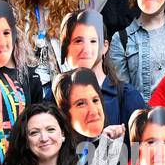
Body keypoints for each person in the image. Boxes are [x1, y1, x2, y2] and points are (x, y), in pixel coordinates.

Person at [51, 8, 146, 137]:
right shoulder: (52, 99)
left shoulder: (127, 96)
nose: (86, 48)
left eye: (93, 41)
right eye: (78, 41)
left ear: (104, 47)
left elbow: (138, 152)